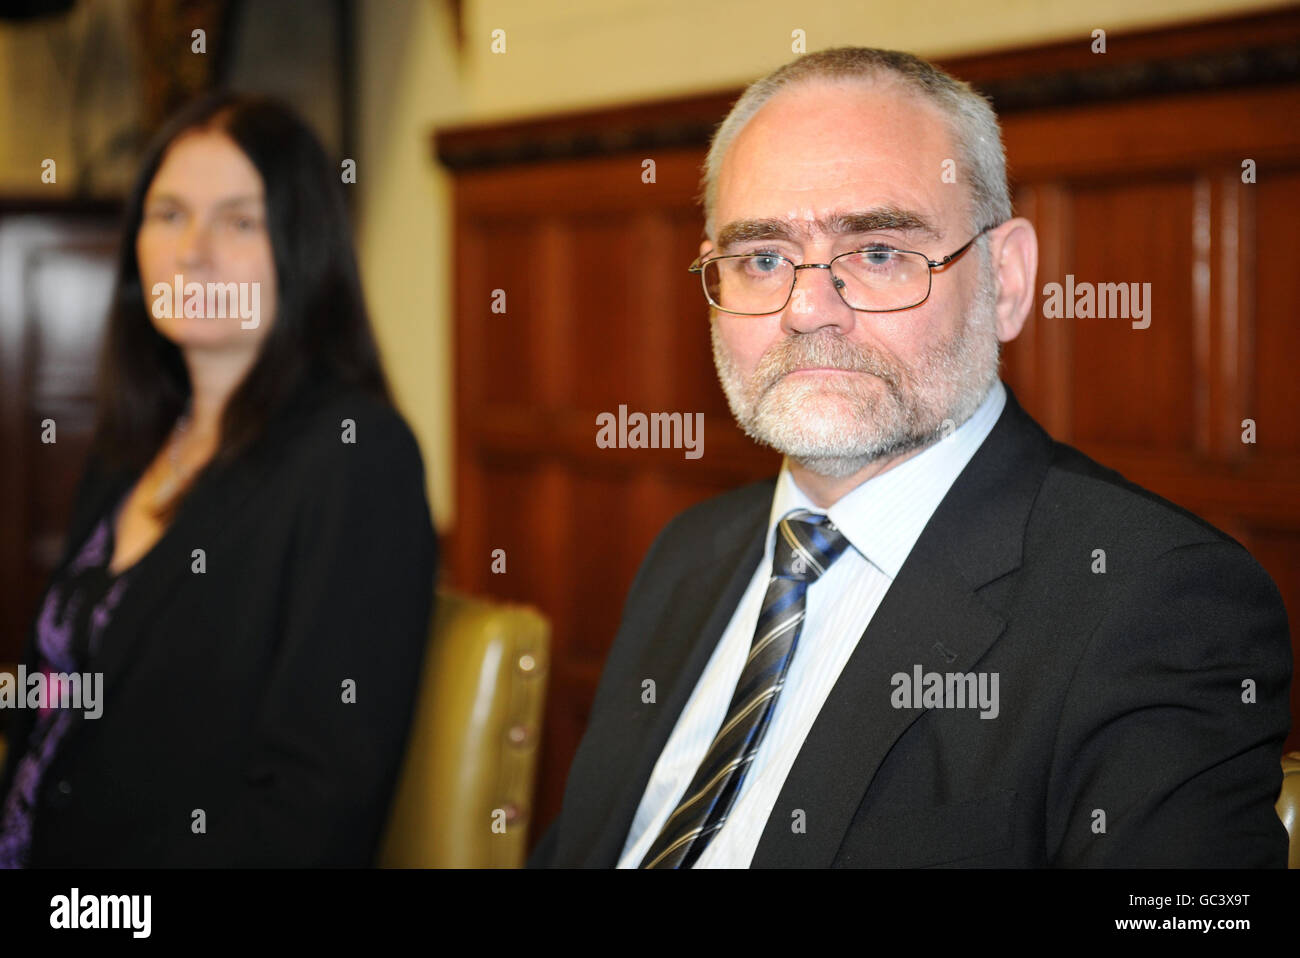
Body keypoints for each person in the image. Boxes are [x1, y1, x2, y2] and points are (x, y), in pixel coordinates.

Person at [528, 47, 1292, 868]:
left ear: (1006, 280)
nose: (808, 310)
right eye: (762, 259)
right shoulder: (688, 553)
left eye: (878, 252)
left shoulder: (1153, 602)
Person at [0, 91, 437, 867]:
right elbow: (53, 713)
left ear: (304, 251)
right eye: (168, 214)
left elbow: (313, 809)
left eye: (238, 222)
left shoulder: (357, 458)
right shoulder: (129, 449)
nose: (192, 250)